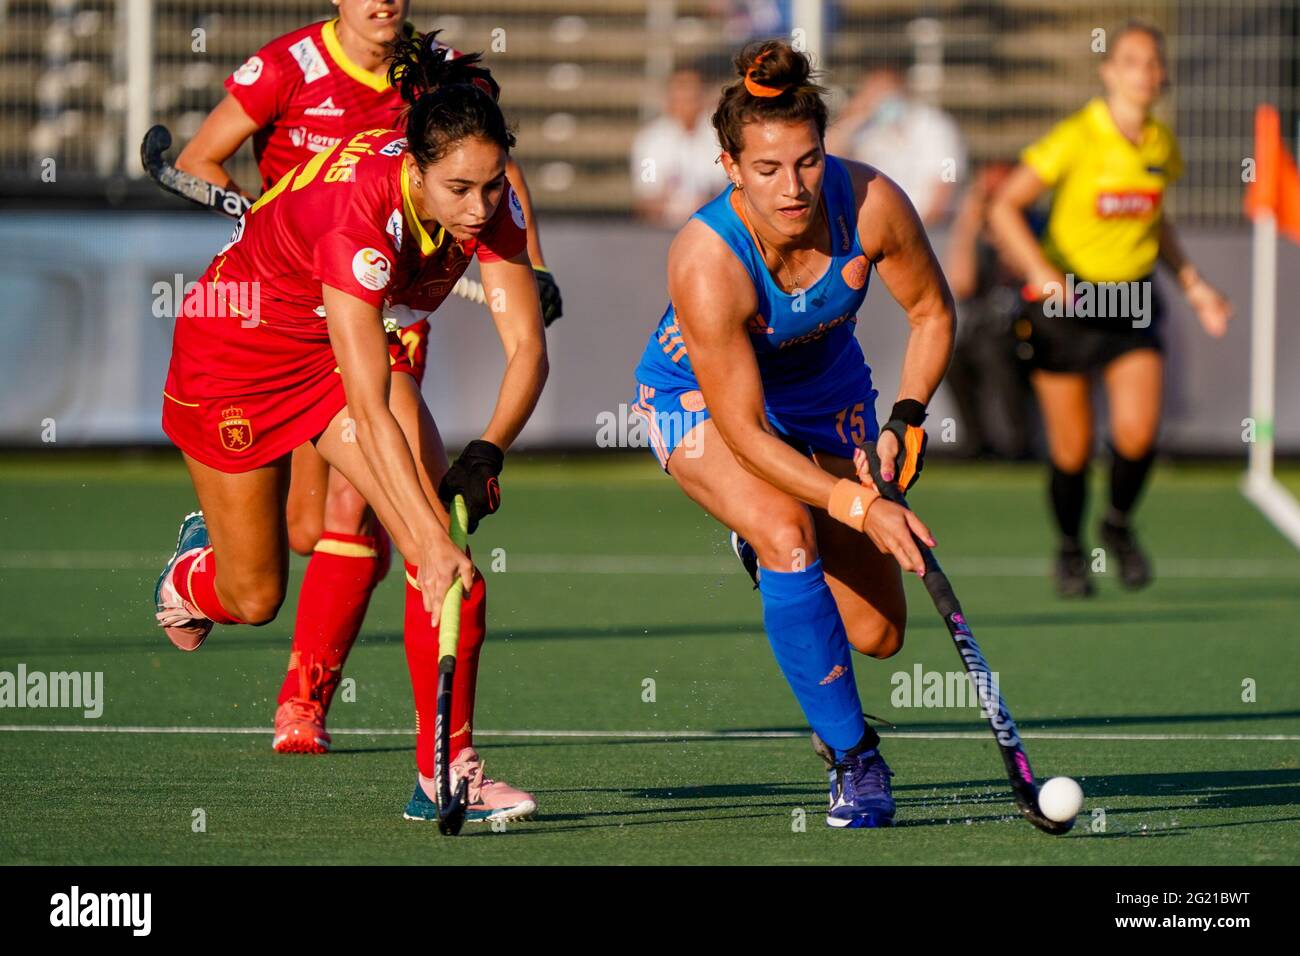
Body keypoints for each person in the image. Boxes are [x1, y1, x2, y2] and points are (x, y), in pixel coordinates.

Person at [154, 35, 548, 823]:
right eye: (460, 190)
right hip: (234, 355)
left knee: (450, 555)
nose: (479, 210)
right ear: (416, 167)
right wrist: (427, 545)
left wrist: (486, 452)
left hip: (336, 354)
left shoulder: (485, 199)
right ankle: (189, 579)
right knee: (256, 593)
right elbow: (368, 411)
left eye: (492, 187)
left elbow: (528, 349)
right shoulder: (360, 219)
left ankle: (445, 771)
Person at [632, 40, 955, 828]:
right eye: (768, 169)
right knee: (787, 530)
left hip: (827, 390)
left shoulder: (873, 201)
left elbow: (932, 313)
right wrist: (857, 506)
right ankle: (855, 760)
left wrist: (907, 415)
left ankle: (774, 544)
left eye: (808, 162)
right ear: (729, 165)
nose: (794, 187)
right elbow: (741, 431)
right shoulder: (707, 258)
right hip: (702, 401)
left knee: (877, 635)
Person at [988, 21, 1233, 596]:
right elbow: (1004, 205)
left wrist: (1195, 285)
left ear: (1163, 74)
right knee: (1071, 450)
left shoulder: (1160, 144)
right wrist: (1040, 271)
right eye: (1132, 61)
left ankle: (1117, 526)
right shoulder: (1078, 136)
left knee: (1137, 435)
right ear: (1109, 71)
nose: (1145, 73)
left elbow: (1157, 222)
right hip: (1069, 303)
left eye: (1153, 63)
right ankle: (1071, 551)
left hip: (1131, 301)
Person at [943, 161, 1035, 460]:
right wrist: (968, 226)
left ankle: (1019, 443)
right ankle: (977, 441)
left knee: (997, 353)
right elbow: (962, 284)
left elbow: (1027, 272)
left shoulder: (1033, 225)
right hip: (984, 330)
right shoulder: (974, 234)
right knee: (953, 361)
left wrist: (1006, 227)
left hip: (1026, 327)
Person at [825, 65, 966, 227]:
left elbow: (944, 187)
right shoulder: (863, 127)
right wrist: (854, 114)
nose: (881, 101)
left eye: (887, 94)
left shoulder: (936, 126)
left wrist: (910, 230)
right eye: (875, 95)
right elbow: (827, 156)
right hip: (872, 227)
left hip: (926, 228)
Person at [630, 65, 728, 228]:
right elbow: (646, 196)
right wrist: (679, 208)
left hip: (717, 226)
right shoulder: (650, 140)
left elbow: (730, 186)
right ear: (668, 99)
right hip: (664, 229)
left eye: (692, 96)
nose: (685, 103)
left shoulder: (722, 136)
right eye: (680, 95)